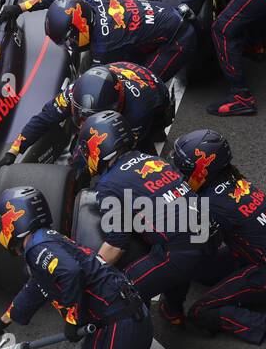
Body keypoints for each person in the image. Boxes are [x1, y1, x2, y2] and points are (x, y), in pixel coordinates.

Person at [0, 185, 153, 349]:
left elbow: (71, 272)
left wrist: (72, 318)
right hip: (116, 318)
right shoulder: (45, 240)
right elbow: (38, 285)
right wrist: (3, 321)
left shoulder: (38, 247)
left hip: (120, 322)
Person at [171, 129, 266, 344]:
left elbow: (193, 244)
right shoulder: (233, 179)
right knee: (201, 272)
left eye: (184, 168)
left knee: (200, 312)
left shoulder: (210, 204)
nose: (179, 173)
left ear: (205, 169)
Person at [78, 111, 203, 323]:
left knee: (119, 291)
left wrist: (85, 275)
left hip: (179, 253)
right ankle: (173, 311)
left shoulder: (108, 185)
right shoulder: (154, 159)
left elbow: (116, 244)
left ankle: (126, 335)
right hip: (205, 233)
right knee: (174, 251)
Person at [5, 61, 172, 163]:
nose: (85, 122)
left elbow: (124, 149)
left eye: (91, 117)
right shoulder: (74, 91)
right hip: (119, 74)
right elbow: (45, 117)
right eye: (82, 115)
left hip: (155, 96)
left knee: (136, 154)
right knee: (80, 154)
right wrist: (14, 150)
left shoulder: (138, 109)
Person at [31, 0, 197, 82]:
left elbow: (96, 81)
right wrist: (21, 7)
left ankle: (156, 124)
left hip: (178, 39)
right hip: (167, 16)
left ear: (81, 26)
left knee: (141, 84)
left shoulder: (105, 45)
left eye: (69, 38)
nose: (70, 43)